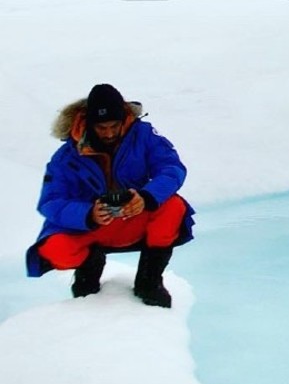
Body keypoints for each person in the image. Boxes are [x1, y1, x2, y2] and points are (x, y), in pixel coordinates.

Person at [26, 84, 196, 307]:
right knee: (54, 249)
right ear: (89, 123)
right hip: (90, 228)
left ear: (124, 119)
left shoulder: (144, 136)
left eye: (114, 126)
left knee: (173, 206)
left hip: (134, 217)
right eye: (101, 127)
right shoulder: (66, 156)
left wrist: (145, 197)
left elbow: (172, 168)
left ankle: (149, 281)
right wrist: (88, 214)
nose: (108, 133)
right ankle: (89, 271)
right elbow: (50, 202)